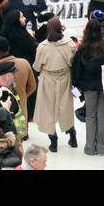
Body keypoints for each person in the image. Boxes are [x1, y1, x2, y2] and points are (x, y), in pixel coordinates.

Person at [32, 18, 76, 153]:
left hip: (48, 79)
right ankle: (72, 136)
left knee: (47, 110)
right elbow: (73, 62)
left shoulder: (43, 46)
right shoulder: (70, 44)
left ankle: (53, 140)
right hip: (65, 78)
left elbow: (37, 66)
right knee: (65, 108)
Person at [70, 18, 104, 157]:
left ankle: (89, 148)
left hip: (88, 87)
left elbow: (76, 69)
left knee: (90, 116)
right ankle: (102, 148)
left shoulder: (83, 48)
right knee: (103, 116)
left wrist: (77, 86)